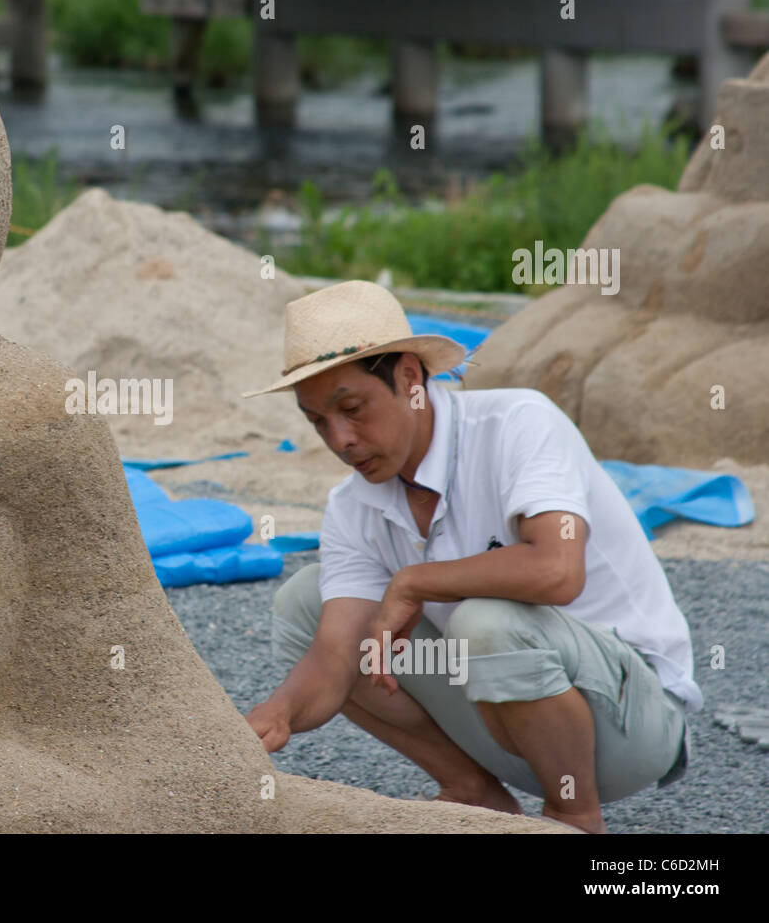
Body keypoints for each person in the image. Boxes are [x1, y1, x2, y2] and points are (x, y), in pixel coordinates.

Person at [240, 280, 699, 833]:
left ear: (410, 379)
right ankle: (475, 792)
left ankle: (574, 817)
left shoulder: (518, 423)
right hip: (507, 719)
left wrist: (412, 582)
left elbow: (557, 571)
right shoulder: (352, 505)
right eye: (318, 421)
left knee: (489, 619)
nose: (341, 440)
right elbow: (336, 657)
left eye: (352, 409)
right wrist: (271, 718)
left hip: (632, 724)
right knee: (303, 602)